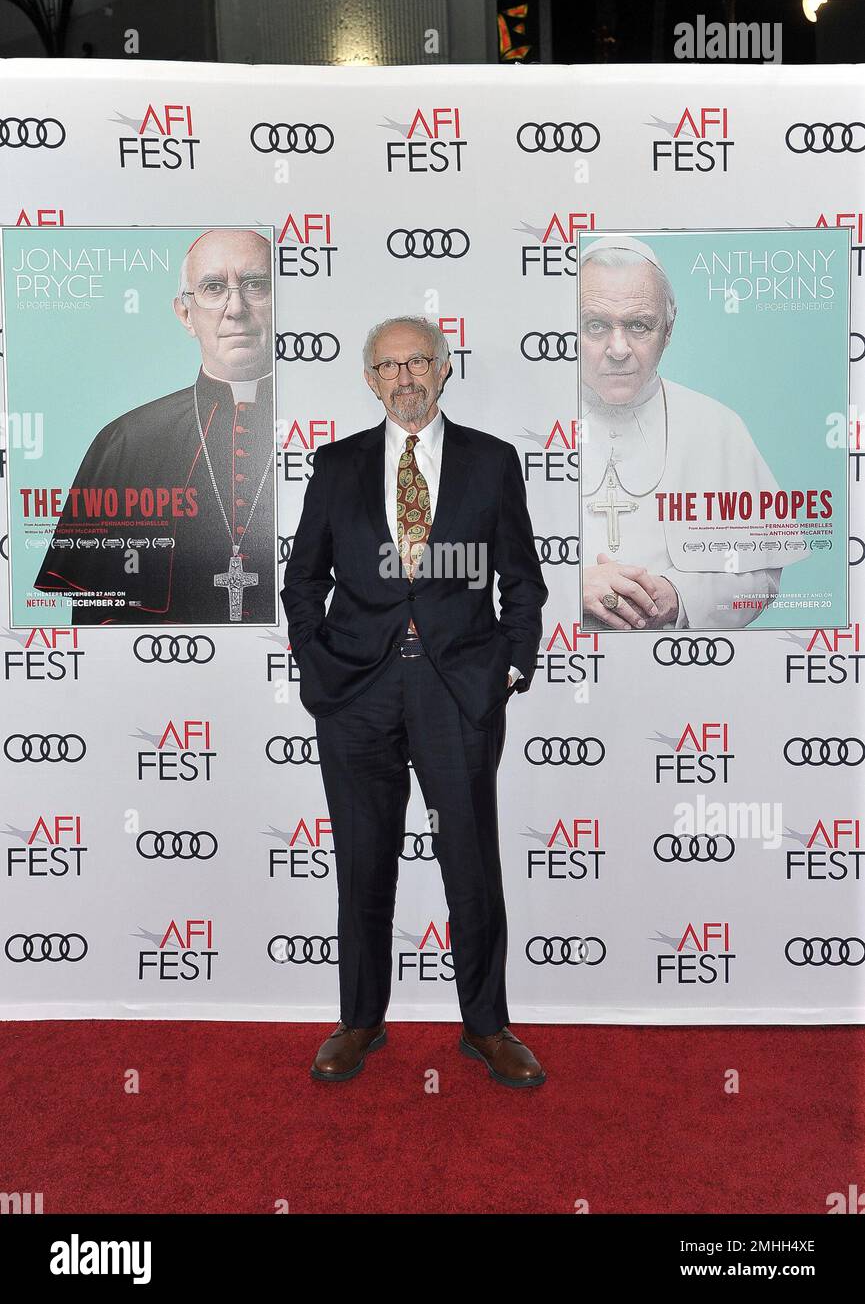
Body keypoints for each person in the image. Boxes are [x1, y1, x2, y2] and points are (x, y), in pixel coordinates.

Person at [281, 316, 549, 1088]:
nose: (405, 377)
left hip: (456, 687)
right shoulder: (335, 465)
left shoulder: (490, 463)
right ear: (369, 379)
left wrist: (509, 664)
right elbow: (304, 581)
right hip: (356, 691)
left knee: (469, 862)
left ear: (443, 369)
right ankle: (360, 1022)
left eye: (418, 361)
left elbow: (522, 581)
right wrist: (316, 658)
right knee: (362, 862)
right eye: (388, 365)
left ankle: (487, 1028)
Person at [33, 228, 276, 625]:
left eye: (256, 285)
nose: (235, 308)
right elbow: (97, 620)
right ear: (185, 314)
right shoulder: (126, 440)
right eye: (213, 287)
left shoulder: (335, 438)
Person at [579, 234, 810, 631]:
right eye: (596, 325)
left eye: (639, 325)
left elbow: (764, 575)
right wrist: (569, 585)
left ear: (668, 331)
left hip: (681, 673)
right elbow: (472, 571)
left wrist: (680, 596)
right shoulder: (521, 426)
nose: (618, 349)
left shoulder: (717, 426)